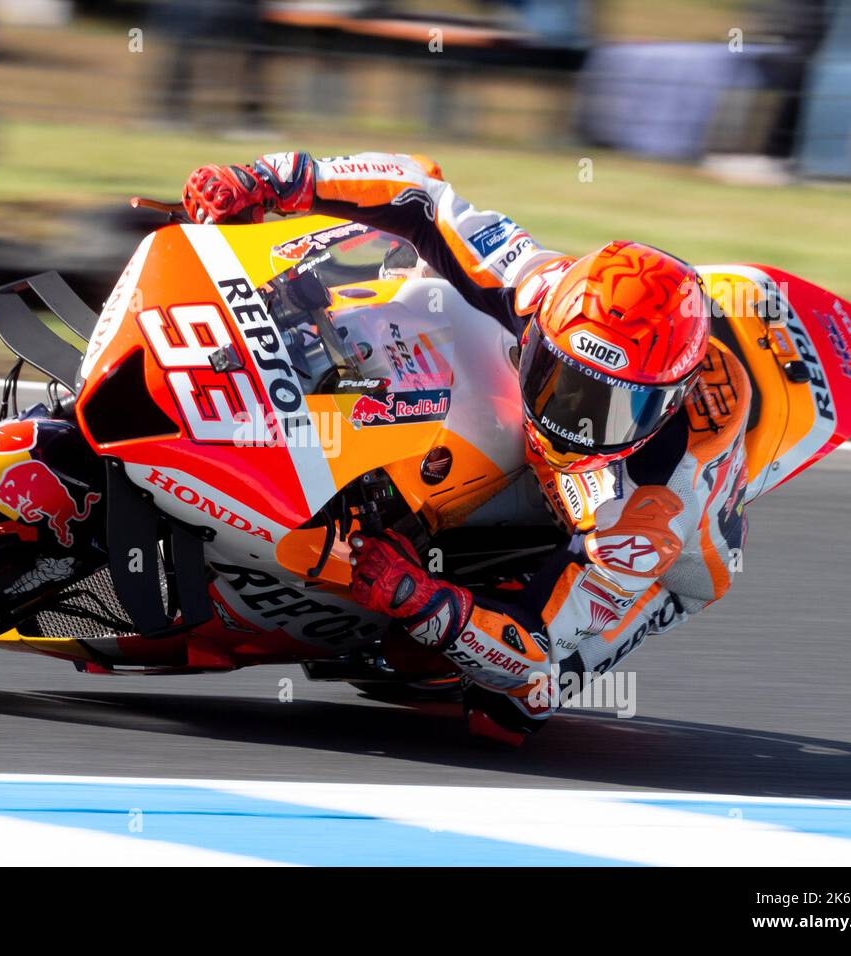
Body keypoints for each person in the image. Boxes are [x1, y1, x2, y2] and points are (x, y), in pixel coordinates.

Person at [181, 152, 751, 744]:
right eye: (560, 380)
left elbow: (535, 646)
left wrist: (422, 600)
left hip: (654, 564)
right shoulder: (546, 292)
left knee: (518, 705)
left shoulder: (651, 514)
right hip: (546, 453)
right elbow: (424, 197)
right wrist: (278, 179)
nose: (571, 418)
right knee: (419, 274)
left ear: (665, 407)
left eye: (609, 408)